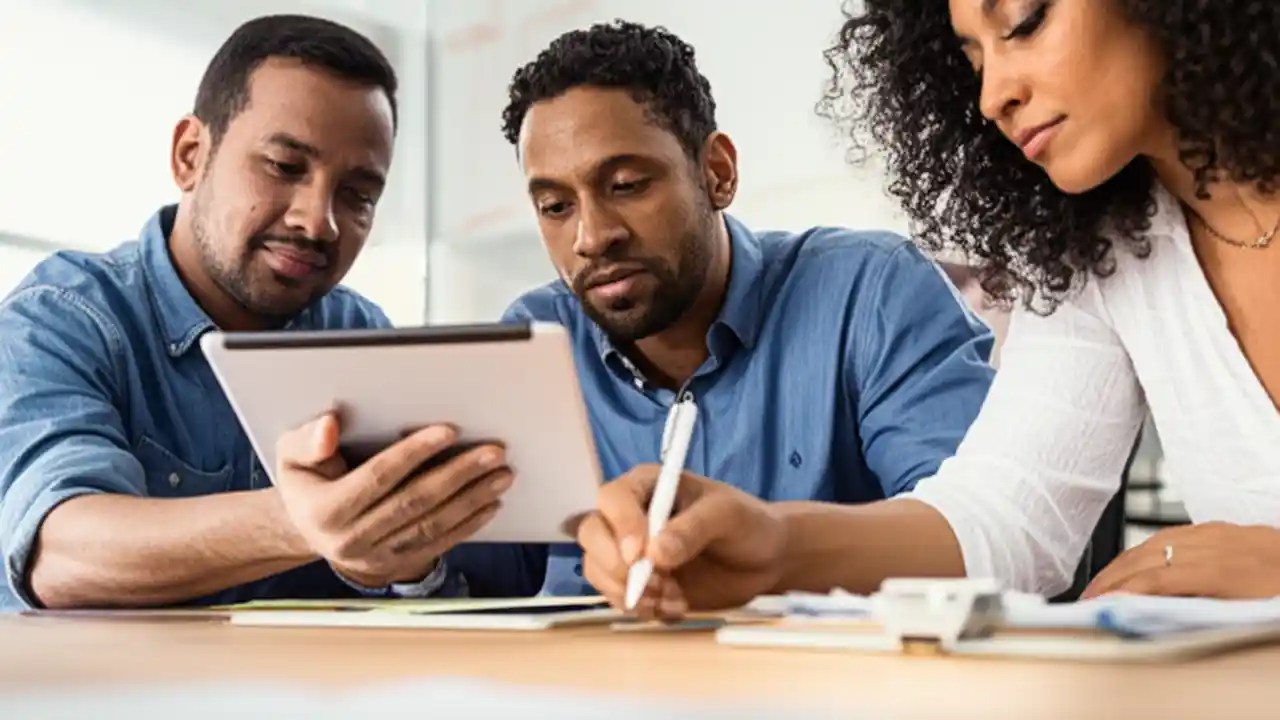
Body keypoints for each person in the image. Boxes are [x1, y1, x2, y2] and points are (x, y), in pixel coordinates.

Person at [576, 0, 1280, 616]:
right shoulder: (1105, 251)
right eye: (972, 59)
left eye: (1024, 23)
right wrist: (770, 542)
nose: (992, 95)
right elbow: (1008, 513)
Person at [443, 20, 996, 604]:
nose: (591, 236)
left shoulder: (872, 293)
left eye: (627, 184)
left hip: (820, 689)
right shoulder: (532, 345)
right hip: (585, 688)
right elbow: (484, 588)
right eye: (555, 206)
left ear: (718, 173)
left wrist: (781, 555)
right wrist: (402, 561)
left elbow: (982, 538)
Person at [0, 15, 514, 610]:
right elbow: (59, 554)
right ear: (191, 155)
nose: (317, 220)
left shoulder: (359, 336)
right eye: (284, 167)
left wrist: (402, 560)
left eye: (358, 194)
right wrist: (305, 522)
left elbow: (413, 593)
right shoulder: (59, 321)